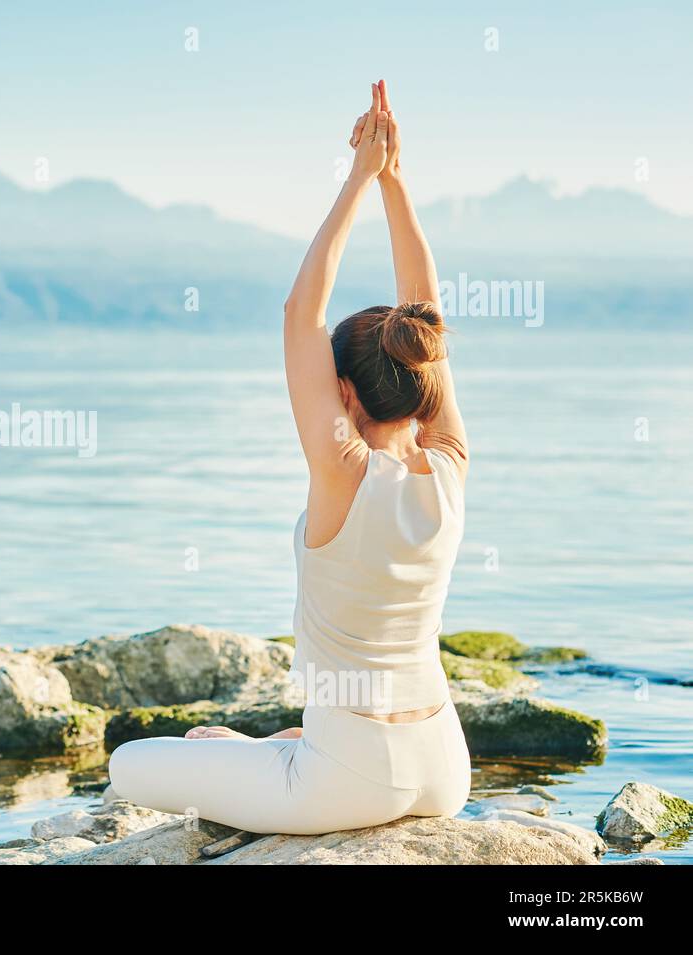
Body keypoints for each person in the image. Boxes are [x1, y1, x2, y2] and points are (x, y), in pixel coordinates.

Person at [107, 81, 472, 834]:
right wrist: (396, 179)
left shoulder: (341, 468)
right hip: (445, 768)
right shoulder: (451, 464)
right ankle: (280, 745)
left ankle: (279, 753)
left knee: (128, 764)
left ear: (342, 391)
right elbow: (425, 305)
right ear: (424, 378)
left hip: (347, 781)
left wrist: (360, 177)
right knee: (257, 745)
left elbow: (298, 313)